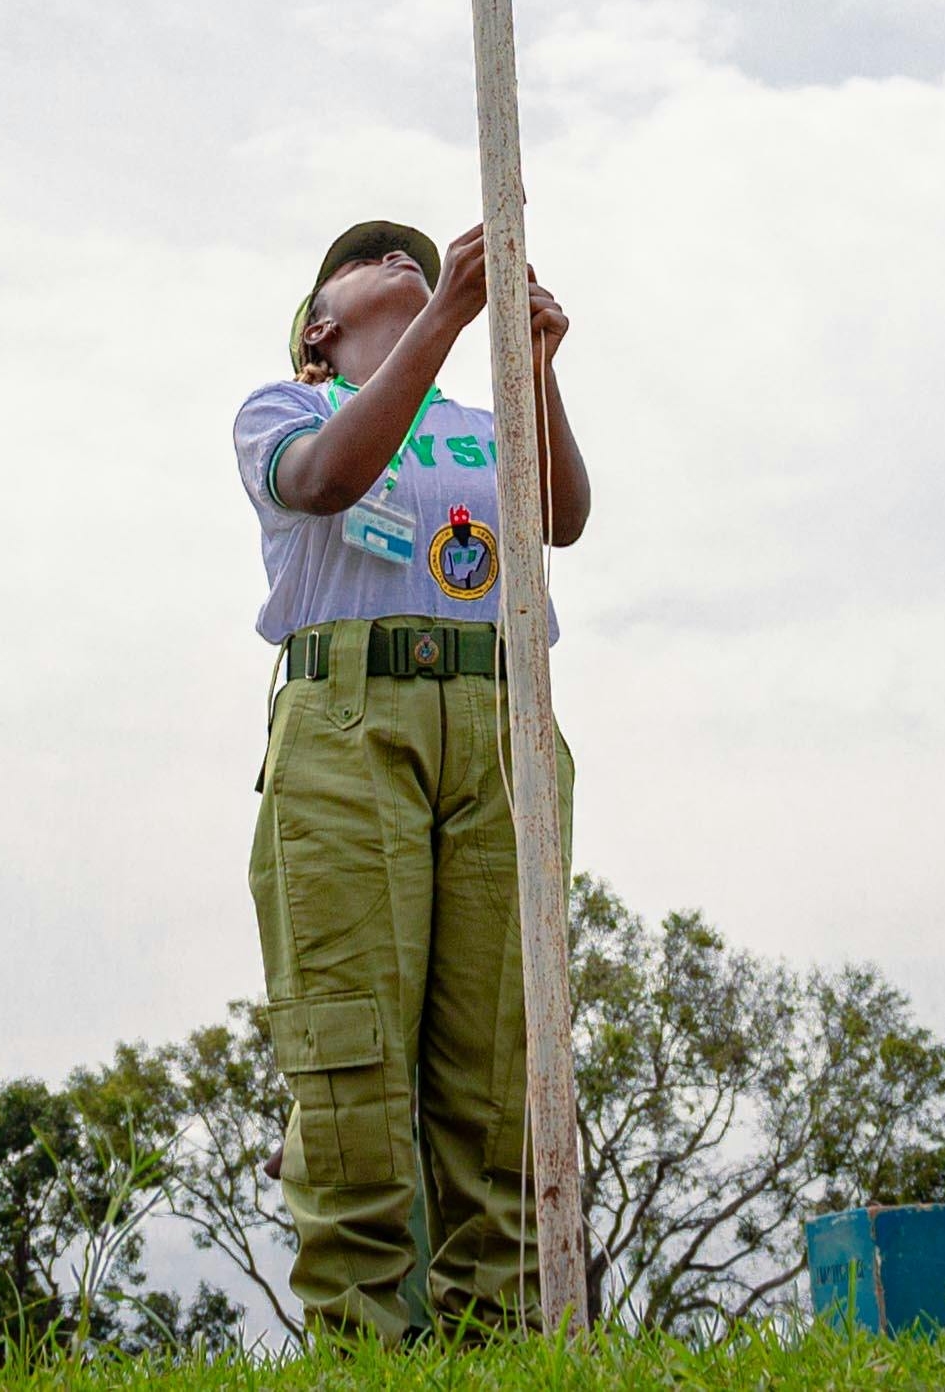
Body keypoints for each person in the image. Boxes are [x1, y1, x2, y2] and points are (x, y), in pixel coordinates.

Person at [232, 218, 590, 1344]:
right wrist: (446, 316)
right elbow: (331, 483)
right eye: (370, 259)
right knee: (353, 1057)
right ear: (320, 329)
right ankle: (364, 1346)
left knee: (501, 1059)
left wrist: (530, 364)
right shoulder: (287, 411)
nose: (406, 262)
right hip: (350, 722)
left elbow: (561, 519)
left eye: (420, 264)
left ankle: (502, 1343)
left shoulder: (485, 427)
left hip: (497, 718)